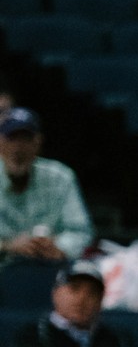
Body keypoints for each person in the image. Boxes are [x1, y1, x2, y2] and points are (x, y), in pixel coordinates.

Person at [0, 108, 93, 264]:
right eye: (12, 139)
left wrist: (58, 246)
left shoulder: (60, 177)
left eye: (26, 139)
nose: (18, 148)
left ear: (38, 143)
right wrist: (8, 245)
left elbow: (81, 231)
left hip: (51, 267)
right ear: (0, 144)